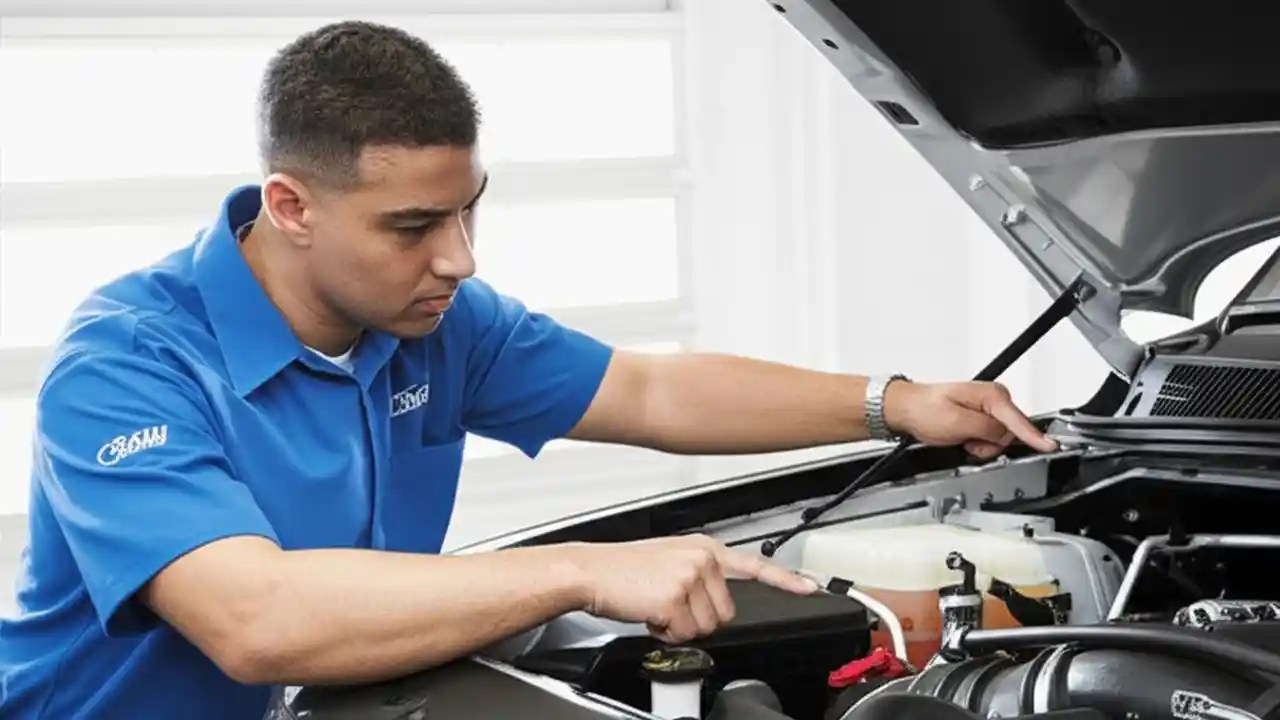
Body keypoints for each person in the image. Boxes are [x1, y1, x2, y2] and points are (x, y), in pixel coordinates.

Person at [0, 21, 1058, 719]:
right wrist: (584, 566)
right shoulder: (127, 364)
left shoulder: (433, 319)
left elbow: (647, 390)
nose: (459, 258)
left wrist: (890, 404)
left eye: (469, 210)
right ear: (290, 206)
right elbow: (256, 621)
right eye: (414, 225)